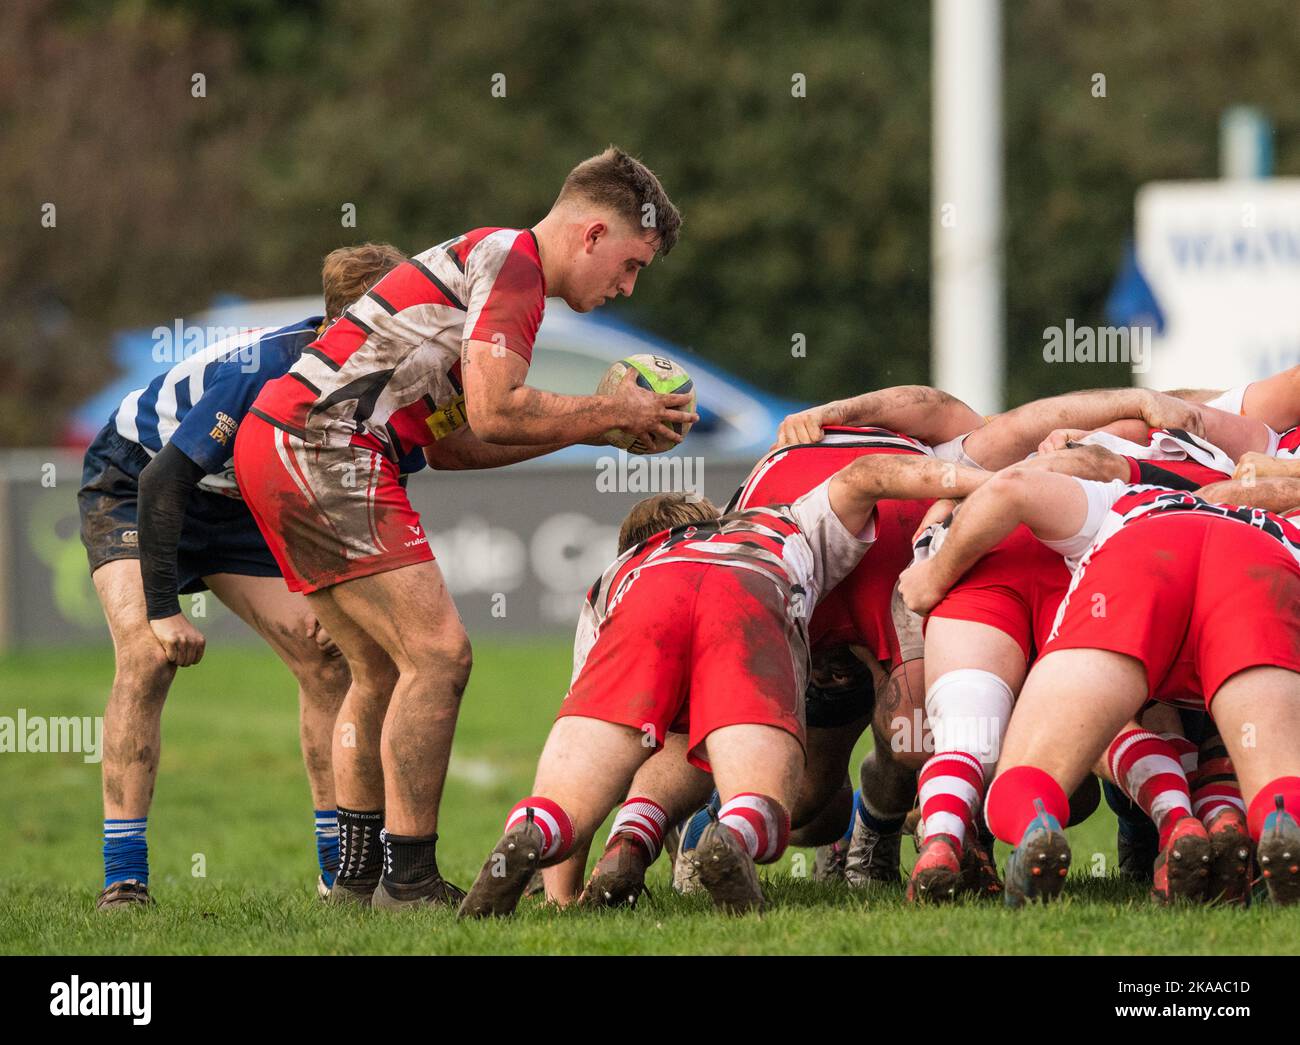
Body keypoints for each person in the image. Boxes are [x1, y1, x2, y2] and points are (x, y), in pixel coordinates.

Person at [234, 147, 698, 908]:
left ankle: (353, 881)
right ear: (590, 235)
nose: (626, 285)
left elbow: (451, 442)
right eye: (631, 263)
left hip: (279, 439)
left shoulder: (485, 265)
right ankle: (409, 877)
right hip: (325, 442)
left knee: (379, 671)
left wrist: (595, 432)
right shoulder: (515, 262)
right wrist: (614, 410)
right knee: (441, 656)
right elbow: (493, 408)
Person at [458, 451, 988, 917]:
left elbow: (594, 745)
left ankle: (542, 829)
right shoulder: (778, 520)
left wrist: (562, 898)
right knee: (765, 800)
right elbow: (867, 474)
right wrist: (984, 483)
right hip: (748, 585)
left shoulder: (616, 576)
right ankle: (732, 833)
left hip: (646, 602)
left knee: (577, 788)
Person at [80, 243, 406, 909]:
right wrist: (167, 609)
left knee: (326, 658)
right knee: (147, 656)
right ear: (346, 320)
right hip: (135, 477)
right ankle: (124, 879)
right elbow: (163, 482)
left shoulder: (381, 377)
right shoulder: (271, 368)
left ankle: (336, 875)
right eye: (397, 312)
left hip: (238, 501)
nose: (414, 325)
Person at [899, 467, 1300, 907]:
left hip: (1143, 554)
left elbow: (1014, 486)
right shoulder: (1285, 528)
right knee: (1278, 781)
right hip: (1260, 569)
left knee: (1023, 778)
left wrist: (932, 574)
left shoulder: (1130, 497)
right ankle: (1282, 819)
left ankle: (1036, 825)